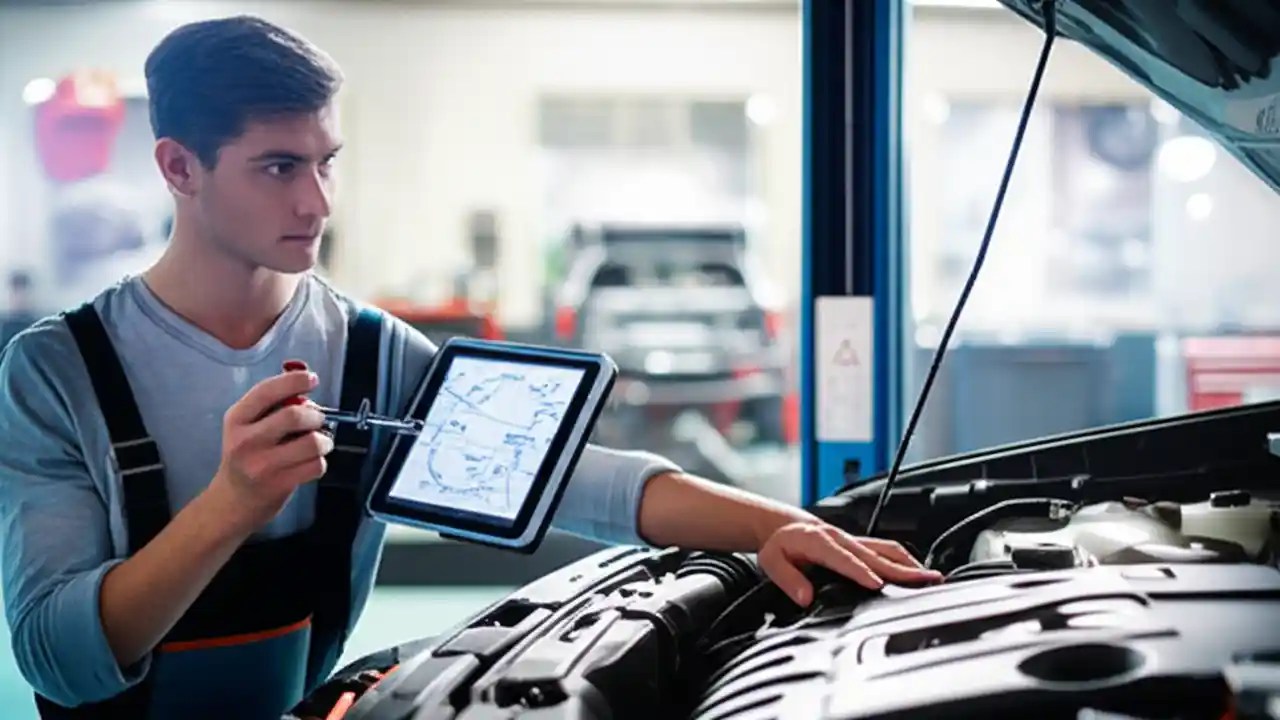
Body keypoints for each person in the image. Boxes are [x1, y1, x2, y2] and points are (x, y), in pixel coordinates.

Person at [0, 15, 941, 720]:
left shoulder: (372, 353)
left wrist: (778, 524)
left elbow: (580, 480)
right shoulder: (56, 372)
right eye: (279, 167)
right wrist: (230, 504)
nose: (318, 200)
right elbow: (58, 661)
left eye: (329, 161)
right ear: (178, 167)